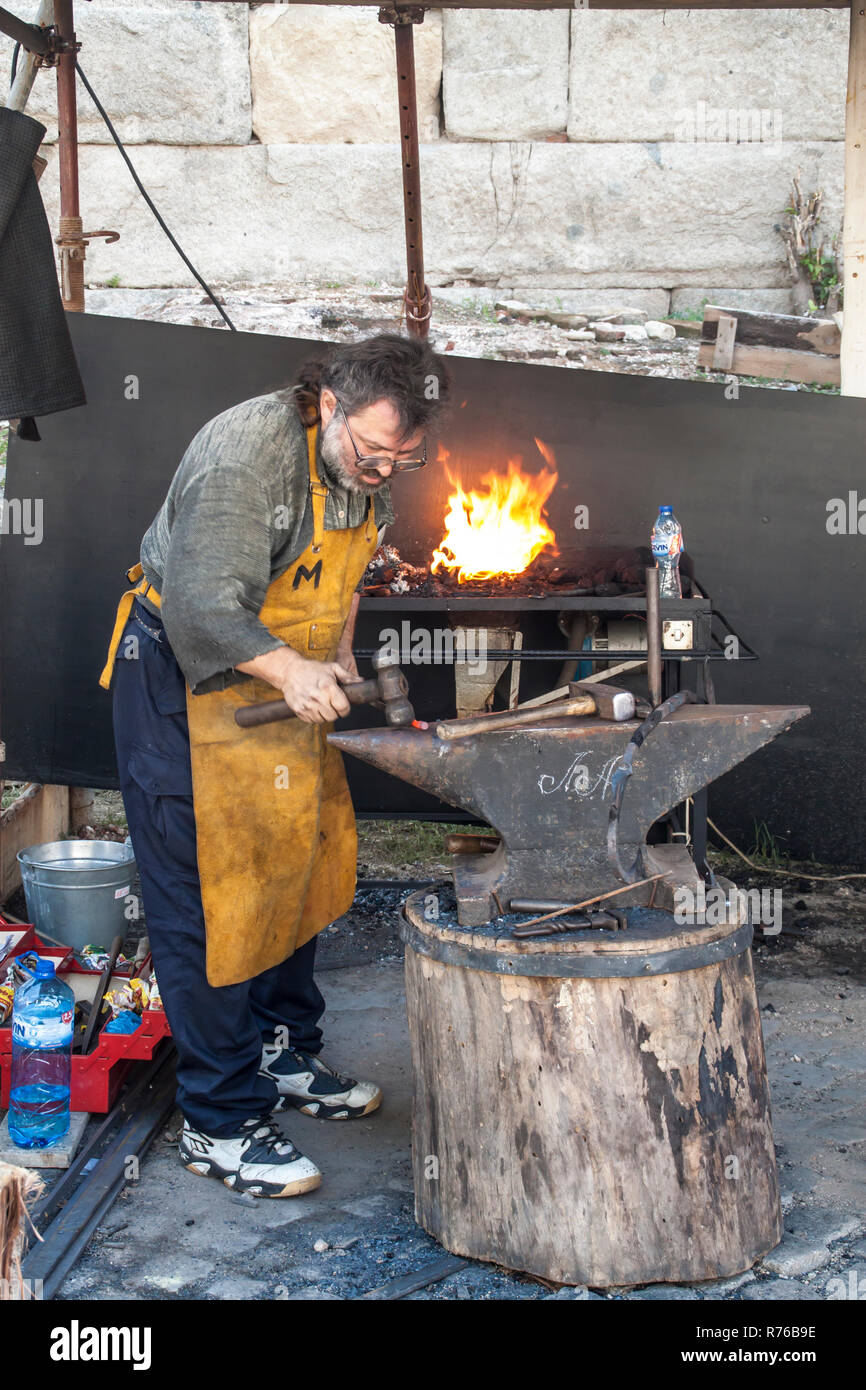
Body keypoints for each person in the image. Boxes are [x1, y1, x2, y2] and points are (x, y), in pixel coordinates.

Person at [100, 333, 450, 1198]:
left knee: (295, 861)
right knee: (206, 896)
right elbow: (201, 607)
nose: (384, 470)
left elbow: (353, 566)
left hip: (287, 675)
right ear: (329, 402)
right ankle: (219, 1121)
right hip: (183, 676)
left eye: (403, 459)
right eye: (372, 451)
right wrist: (291, 671)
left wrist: (333, 659)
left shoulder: (372, 470)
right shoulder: (247, 456)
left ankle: (280, 1048)